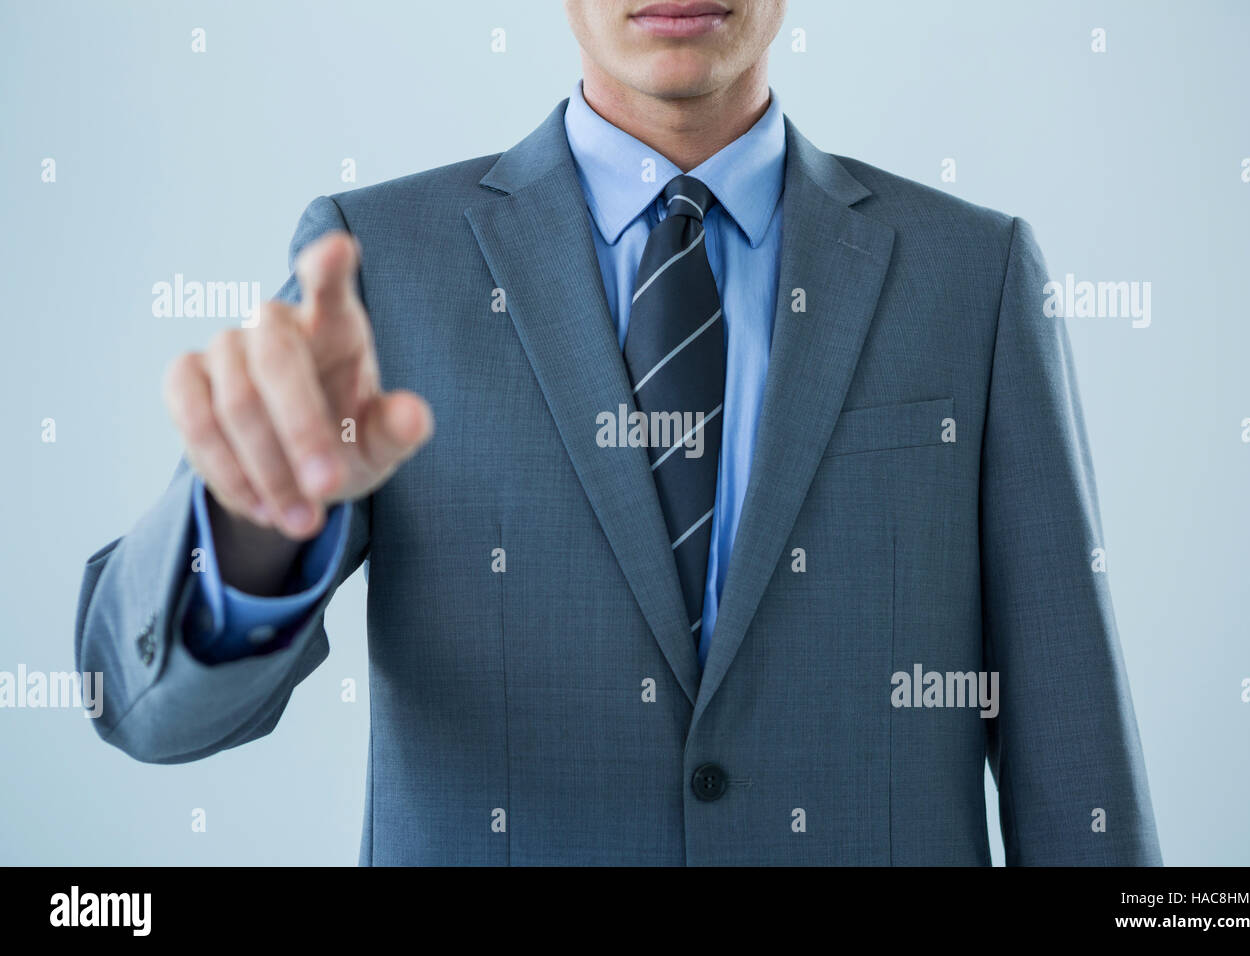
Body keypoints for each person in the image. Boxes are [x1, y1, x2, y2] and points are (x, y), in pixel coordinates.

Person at [75, 0, 1161, 865]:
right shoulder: (379, 265)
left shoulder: (972, 276)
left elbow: (1074, 755)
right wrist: (254, 540)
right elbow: (141, 708)